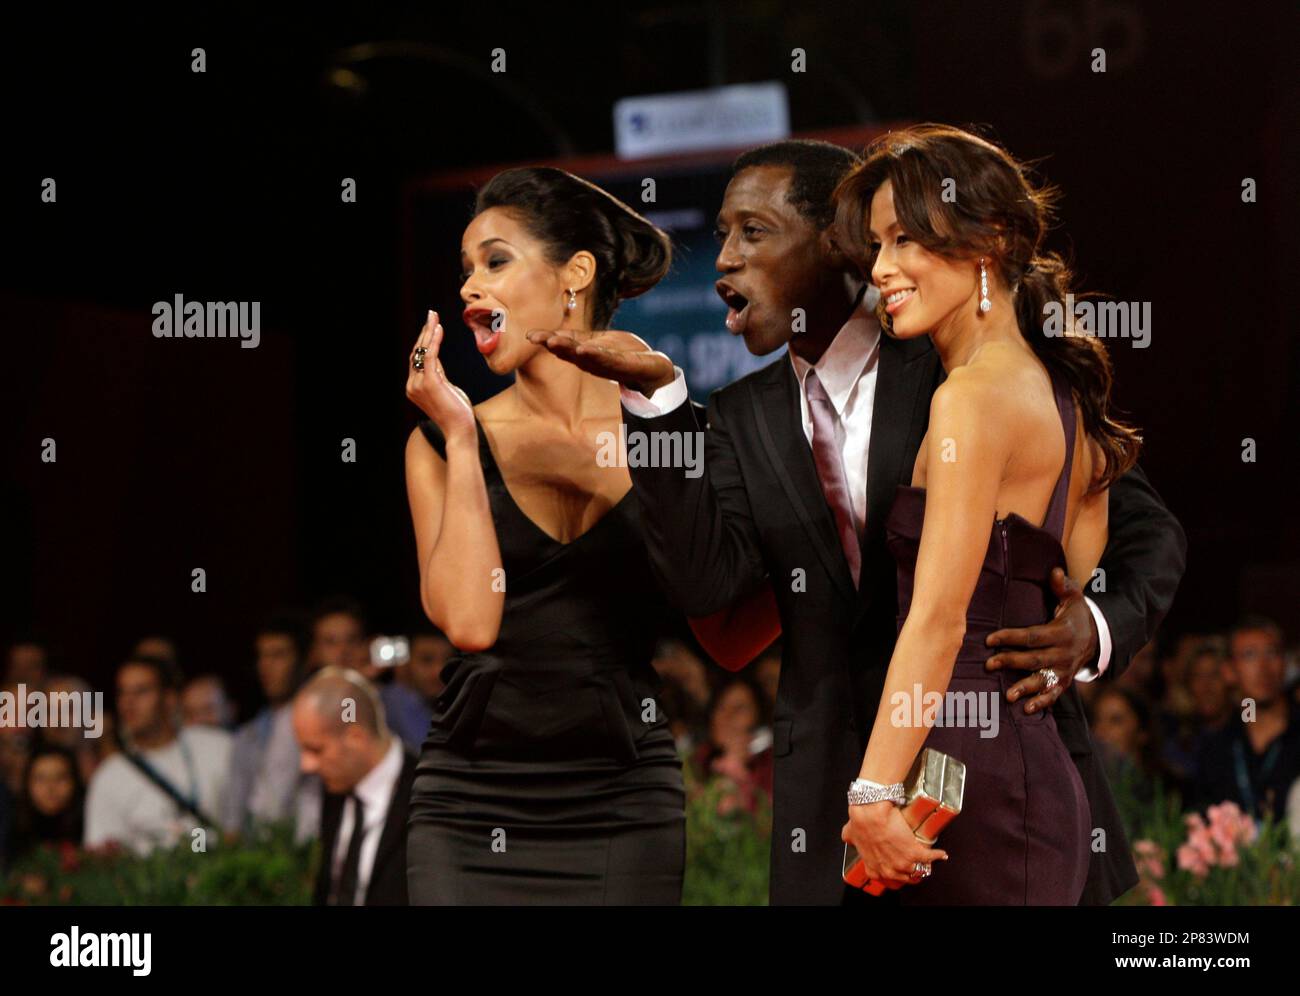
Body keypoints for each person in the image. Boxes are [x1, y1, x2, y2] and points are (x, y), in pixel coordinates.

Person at [531, 137, 1187, 905]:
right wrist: (661, 408)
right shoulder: (737, 419)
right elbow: (710, 585)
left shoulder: (957, 360)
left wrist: (1093, 627)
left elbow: (1142, 526)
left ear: (832, 242)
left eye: (755, 231)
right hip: (834, 811)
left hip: (987, 765)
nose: (725, 262)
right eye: (723, 236)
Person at [403, 166, 690, 904]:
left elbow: (719, 592)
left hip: (625, 802)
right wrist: (464, 439)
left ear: (577, 275)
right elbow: (469, 621)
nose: (469, 287)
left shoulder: (662, 429)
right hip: (469, 805)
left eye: (495, 261)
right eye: (465, 269)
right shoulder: (439, 442)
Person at [83, 655, 231, 855]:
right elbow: (102, 854)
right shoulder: (109, 776)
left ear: (169, 698)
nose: (128, 702)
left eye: (141, 691)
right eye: (122, 693)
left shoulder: (217, 746)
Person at [293, 668, 415, 906]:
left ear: (356, 739)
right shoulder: (335, 786)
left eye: (316, 750)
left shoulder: (429, 794)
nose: (306, 765)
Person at [1192, 615, 1300, 821]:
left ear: (1285, 663)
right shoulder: (1219, 747)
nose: (1263, 666)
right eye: (1249, 655)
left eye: (1272, 653)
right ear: (1229, 671)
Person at [224, 612, 319, 839]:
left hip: (309, 854)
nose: (266, 665)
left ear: (304, 660)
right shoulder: (248, 735)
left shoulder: (324, 722)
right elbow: (234, 811)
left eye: (279, 655)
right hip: (258, 859)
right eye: (262, 656)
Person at [8, 743, 85, 862]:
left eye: (60, 778)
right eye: (40, 779)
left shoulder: (89, 826)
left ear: (75, 782)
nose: (50, 788)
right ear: (27, 784)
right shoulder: (11, 829)